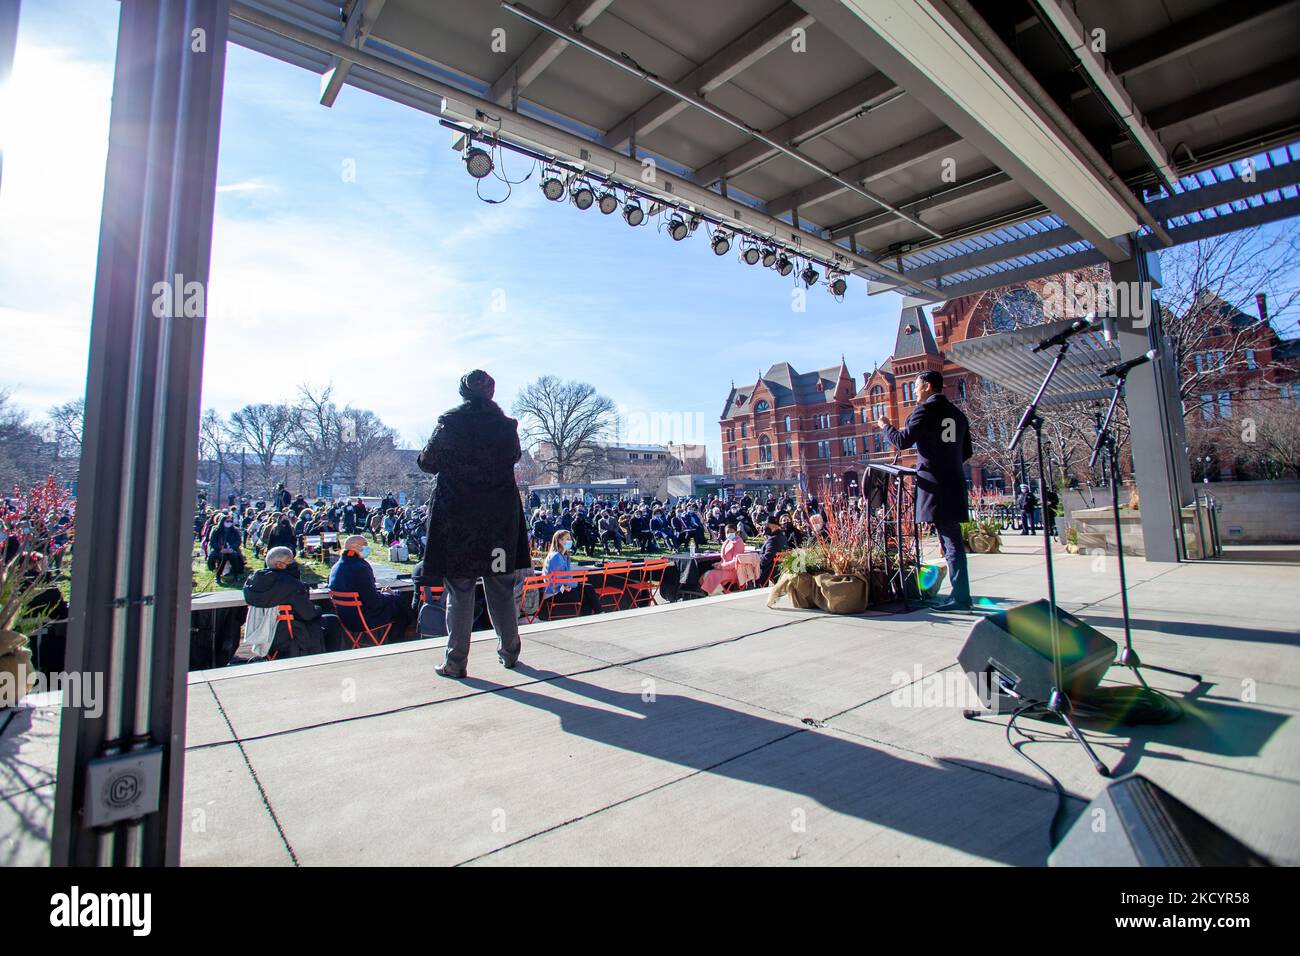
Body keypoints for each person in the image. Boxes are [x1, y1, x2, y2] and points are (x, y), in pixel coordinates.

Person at [418, 370, 528, 678]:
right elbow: (515, 456)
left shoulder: (451, 424)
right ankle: (510, 653)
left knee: (460, 590)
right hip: (497, 520)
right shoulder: (507, 427)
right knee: (501, 588)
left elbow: (428, 462)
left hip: (458, 520)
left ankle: (456, 662)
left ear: (463, 393)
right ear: (491, 393)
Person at [877, 370, 974, 611]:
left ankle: (961, 598)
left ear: (928, 386)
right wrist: (948, 461)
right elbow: (967, 452)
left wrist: (885, 426)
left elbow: (902, 441)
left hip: (936, 486)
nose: (915, 392)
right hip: (954, 483)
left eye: (917, 387)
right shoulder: (958, 415)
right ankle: (960, 594)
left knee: (951, 541)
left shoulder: (925, 411)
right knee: (949, 540)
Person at [244, 547, 346, 657]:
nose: (294, 563)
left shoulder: (252, 582)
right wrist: (318, 609)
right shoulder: (290, 584)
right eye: (291, 561)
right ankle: (331, 659)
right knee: (332, 620)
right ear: (279, 565)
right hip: (289, 634)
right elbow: (308, 614)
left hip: (260, 633)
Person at [328, 534, 414, 640]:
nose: (367, 547)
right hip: (364, 619)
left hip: (346, 619)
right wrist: (390, 594)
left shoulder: (336, 567)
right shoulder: (360, 568)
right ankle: (399, 642)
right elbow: (374, 602)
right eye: (365, 544)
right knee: (400, 603)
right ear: (354, 547)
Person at [541, 529, 600, 618]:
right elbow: (558, 579)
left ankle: (597, 613)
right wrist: (570, 585)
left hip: (564, 586)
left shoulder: (564, 556)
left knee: (588, 588)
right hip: (554, 592)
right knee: (584, 595)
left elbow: (566, 577)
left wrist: (571, 584)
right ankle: (593, 615)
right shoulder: (556, 557)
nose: (570, 541)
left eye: (570, 538)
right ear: (560, 541)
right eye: (567, 538)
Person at [757, 514, 787, 585]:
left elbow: (765, 560)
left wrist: (757, 557)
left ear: (775, 526)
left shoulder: (773, 540)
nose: (765, 527)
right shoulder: (782, 537)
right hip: (778, 570)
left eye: (767, 525)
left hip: (765, 572)